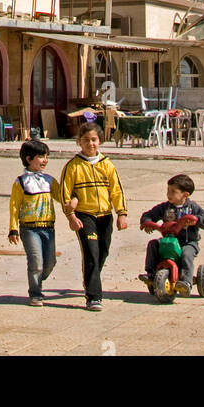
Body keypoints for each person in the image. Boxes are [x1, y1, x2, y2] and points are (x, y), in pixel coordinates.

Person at [59, 122, 127, 311]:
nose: (91, 144)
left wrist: (121, 213)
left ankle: (92, 278)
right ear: (79, 142)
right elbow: (65, 193)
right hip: (84, 216)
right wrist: (71, 216)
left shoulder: (107, 165)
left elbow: (116, 191)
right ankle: (94, 297)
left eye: (94, 140)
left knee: (102, 253)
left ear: (100, 141)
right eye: (86, 140)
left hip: (105, 216)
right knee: (91, 253)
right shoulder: (73, 166)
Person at [139, 173, 204, 295]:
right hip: (168, 240)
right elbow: (148, 215)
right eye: (168, 190)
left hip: (187, 242)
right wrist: (147, 223)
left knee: (186, 253)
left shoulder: (192, 208)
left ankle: (186, 282)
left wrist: (196, 220)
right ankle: (151, 274)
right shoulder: (165, 207)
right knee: (153, 244)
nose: (169, 194)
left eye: (173, 191)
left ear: (185, 194)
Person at [8, 138, 60, 306]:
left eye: (46, 156)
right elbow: (14, 207)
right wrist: (13, 229)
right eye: (41, 156)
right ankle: (35, 293)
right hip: (29, 229)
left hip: (48, 228)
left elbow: (62, 197)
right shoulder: (20, 182)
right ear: (29, 159)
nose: (45, 160)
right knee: (36, 261)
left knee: (50, 262)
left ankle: (37, 278)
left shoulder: (50, 180)